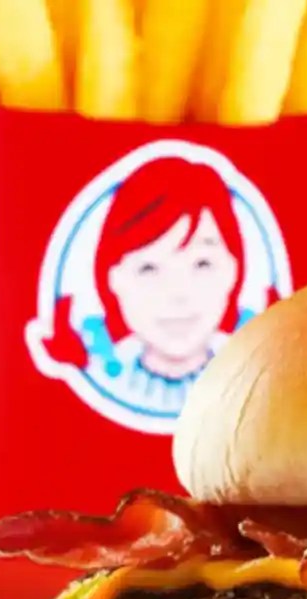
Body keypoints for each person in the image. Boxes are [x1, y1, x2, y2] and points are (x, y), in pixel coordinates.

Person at [43, 157, 260, 418]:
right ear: (112, 278)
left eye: (202, 264)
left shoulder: (255, 377)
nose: (178, 295)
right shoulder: (102, 369)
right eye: (148, 269)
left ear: (234, 270)